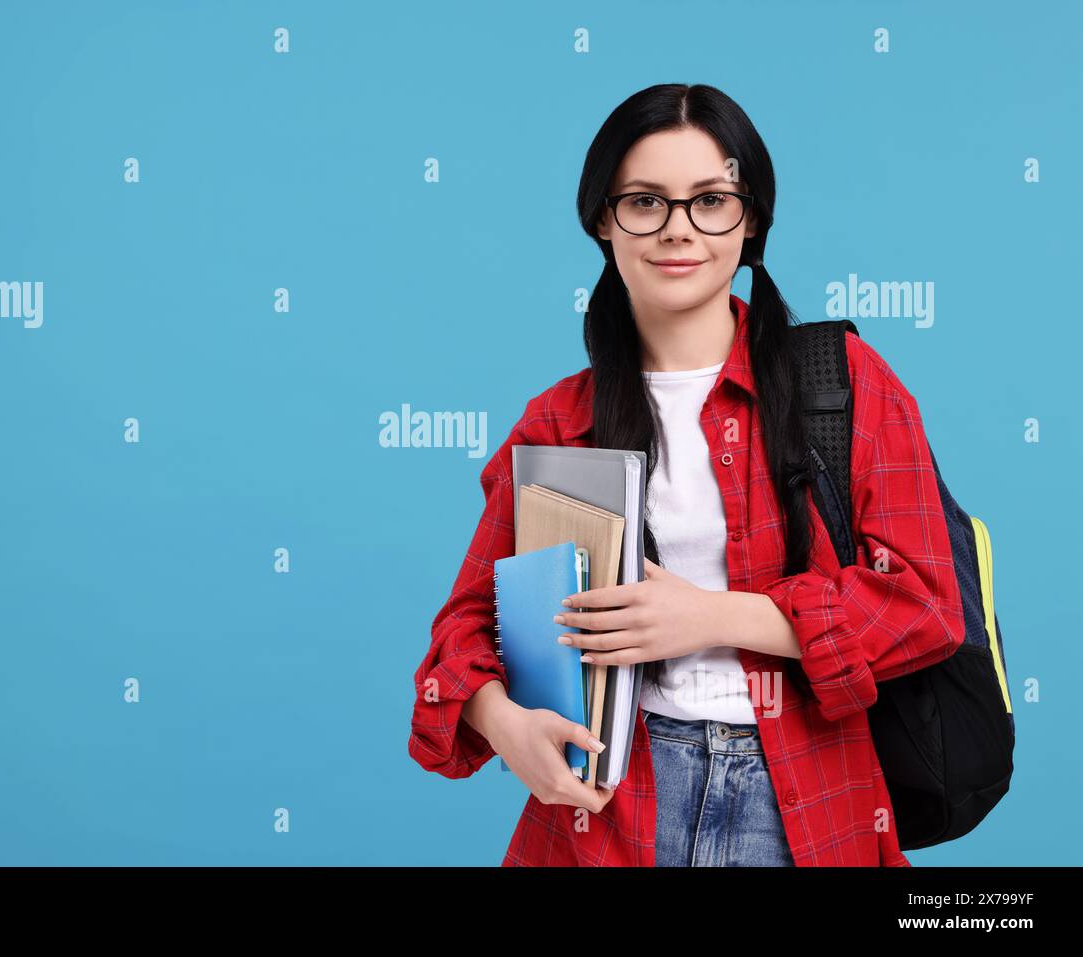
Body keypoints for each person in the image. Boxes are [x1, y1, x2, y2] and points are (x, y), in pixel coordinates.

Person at [407, 83, 965, 867]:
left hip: (806, 805)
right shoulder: (558, 422)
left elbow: (926, 604)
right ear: (604, 220)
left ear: (752, 219)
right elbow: (463, 633)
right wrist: (505, 724)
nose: (678, 230)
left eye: (710, 200)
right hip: (612, 815)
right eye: (645, 202)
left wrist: (711, 616)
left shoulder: (846, 385)